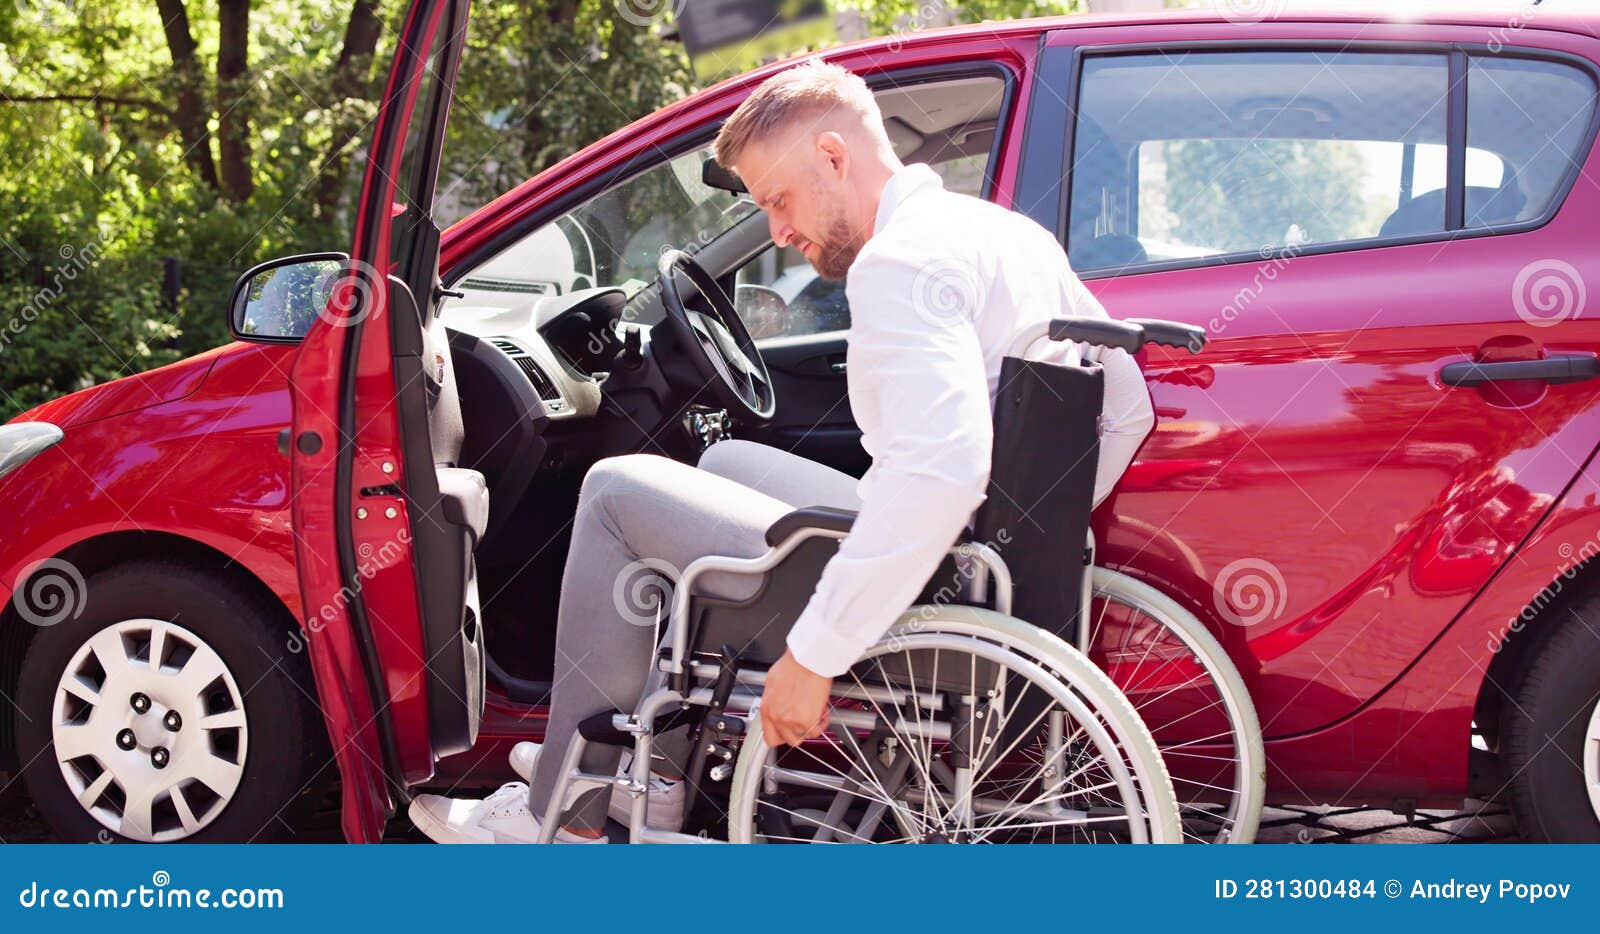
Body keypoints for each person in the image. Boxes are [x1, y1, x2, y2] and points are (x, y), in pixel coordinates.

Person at [408, 59, 1155, 844]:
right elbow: (1126, 403)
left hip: (928, 568)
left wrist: (816, 652)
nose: (777, 231)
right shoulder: (1004, 233)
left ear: (833, 156)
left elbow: (942, 472)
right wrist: (1027, 537)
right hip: (967, 556)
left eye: (778, 200)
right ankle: (652, 777)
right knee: (723, 464)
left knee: (615, 493)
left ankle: (565, 816)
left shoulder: (900, 264)